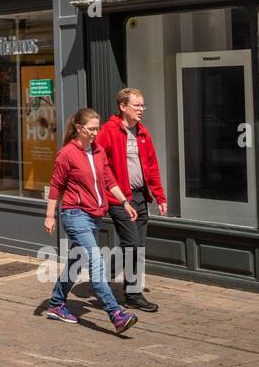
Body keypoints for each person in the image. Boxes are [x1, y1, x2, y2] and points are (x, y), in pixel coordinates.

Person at [42, 107, 140, 335]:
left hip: (94, 215)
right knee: (96, 263)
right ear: (79, 128)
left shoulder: (97, 151)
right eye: (92, 129)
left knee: (76, 262)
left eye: (98, 128)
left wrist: (125, 202)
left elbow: (108, 179)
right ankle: (116, 314)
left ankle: (56, 304)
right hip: (75, 215)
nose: (96, 133)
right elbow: (56, 186)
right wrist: (49, 216)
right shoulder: (67, 153)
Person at [95, 87, 168, 313]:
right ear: (123, 107)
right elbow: (99, 162)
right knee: (132, 244)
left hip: (139, 196)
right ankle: (131, 293)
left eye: (142, 105)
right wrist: (110, 190)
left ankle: (128, 289)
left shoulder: (142, 132)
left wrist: (160, 195)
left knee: (138, 246)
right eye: (136, 105)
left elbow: (152, 166)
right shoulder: (109, 130)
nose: (141, 110)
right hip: (120, 198)